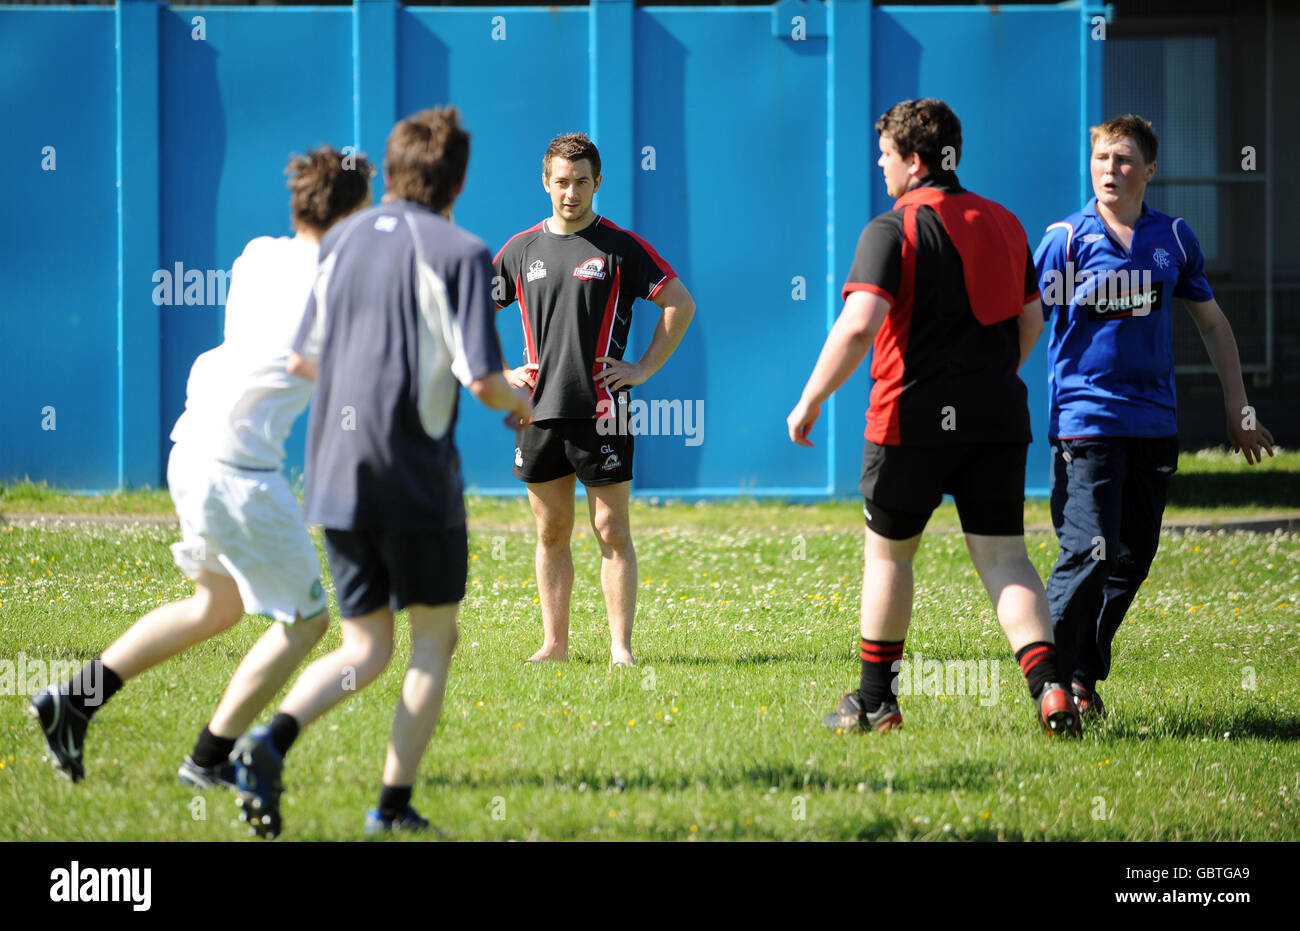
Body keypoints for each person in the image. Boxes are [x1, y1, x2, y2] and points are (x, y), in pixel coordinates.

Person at [229, 107, 533, 838]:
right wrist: (522, 400)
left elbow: (303, 358)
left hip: (334, 476)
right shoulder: (461, 251)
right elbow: (484, 379)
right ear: (457, 179)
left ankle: (270, 742)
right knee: (432, 641)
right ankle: (391, 808)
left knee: (363, 645)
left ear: (389, 173)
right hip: (415, 478)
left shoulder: (339, 241)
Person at [29, 146, 374, 785]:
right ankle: (208, 759)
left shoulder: (256, 255)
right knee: (307, 621)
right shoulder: (336, 280)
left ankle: (71, 702)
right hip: (241, 471)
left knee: (214, 606)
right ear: (352, 212)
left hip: (191, 447)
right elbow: (314, 364)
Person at [787, 98, 1081, 737]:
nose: (880, 165)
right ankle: (1053, 689)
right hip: (997, 418)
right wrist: (988, 378)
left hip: (908, 420)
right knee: (1006, 558)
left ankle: (874, 702)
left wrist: (810, 399)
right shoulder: (1005, 223)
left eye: (887, 155)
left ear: (914, 161)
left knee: (891, 558)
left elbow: (860, 323)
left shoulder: (891, 228)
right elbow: (1031, 322)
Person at [1034, 114, 1274, 719]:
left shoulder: (1175, 238)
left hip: (1154, 426)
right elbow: (1028, 326)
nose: (1110, 170)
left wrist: (1238, 407)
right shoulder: (1065, 238)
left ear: (1150, 170)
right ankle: (1053, 684)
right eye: (1101, 159)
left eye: (1123, 160)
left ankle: (1083, 675)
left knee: (1131, 559)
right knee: (1088, 550)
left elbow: (1213, 325)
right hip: (1085, 424)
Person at [493, 132, 696, 667]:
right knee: (551, 529)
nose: (571, 192)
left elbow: (679, 302)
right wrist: (499, 370)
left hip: (604, 411)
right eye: (562, 182)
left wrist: (644, 368)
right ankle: (554, 646)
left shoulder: (621, 247)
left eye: (582, 181)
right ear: (546, 182)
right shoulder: (521, 250)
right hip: (536, 410)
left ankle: (620, 650)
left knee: (611, 529)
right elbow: (464, 311)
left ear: (597, 182)